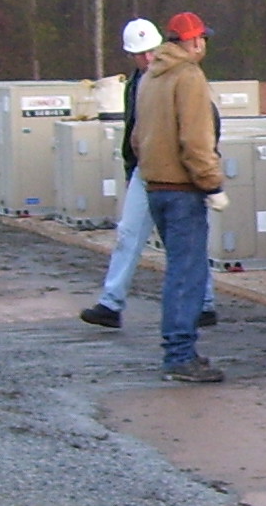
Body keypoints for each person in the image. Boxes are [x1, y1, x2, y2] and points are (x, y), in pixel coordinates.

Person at [81, 18, 217, 332]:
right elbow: (136, 131)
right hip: (151, 170)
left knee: (181, 243)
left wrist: (205, 173)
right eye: (138, 54)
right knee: (132, 235)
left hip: (172, 171)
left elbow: (202, 127)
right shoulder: (143, 82)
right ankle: (111, 302)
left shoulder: (178, 78)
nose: (145, 59)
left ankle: (203, 303)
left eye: (148, 52)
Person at [134, 12, 229, 384]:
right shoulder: (188, 76)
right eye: (202, 38)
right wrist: (212, 183)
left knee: (178, 269)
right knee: (187, 274)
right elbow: (196, 139)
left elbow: (138, 137)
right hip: (183, 188)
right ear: (193, 41)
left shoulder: (150, 77)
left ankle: (180, 351)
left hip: (155, 185)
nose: (204, 45)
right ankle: (179, 355)